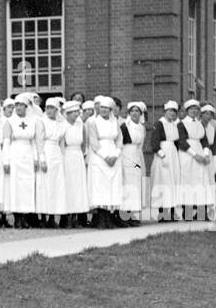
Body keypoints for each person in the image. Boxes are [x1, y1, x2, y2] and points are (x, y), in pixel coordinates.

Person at [2, 92, 44, 228]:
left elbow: (35, 142)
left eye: (21, 105)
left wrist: (36, 158)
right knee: (15, 186)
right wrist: (6, 161)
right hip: (15, 155)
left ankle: (26, 216)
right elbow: (6, 142)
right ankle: (17, 217)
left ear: (26, 107)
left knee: (27, 186)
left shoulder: (34, 121)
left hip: (28, 155)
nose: (19, 107)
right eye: (17, 105)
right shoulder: (9, 122)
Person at [86, 95, 125, 227]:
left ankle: (110, 217)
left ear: (110, 110)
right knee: (100, 186)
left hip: (114, 155)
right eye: (101, 107)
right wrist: (105, 156)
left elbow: (119, 140)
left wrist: (115, 155)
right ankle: (101, 218)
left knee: (113, 186)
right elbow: (93, 142)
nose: (103, 110)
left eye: (106, 108)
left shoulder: (115, 123)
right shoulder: (93, 122)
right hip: (99, 157)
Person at [146, 100, 182, 221]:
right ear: (165, 111)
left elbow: (177, 142)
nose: (172, 113)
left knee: (173, 182)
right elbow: (154, 143)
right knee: (163, 183)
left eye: (174, 111)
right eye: (170, 111)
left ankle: (171, 212)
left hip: (173, 156)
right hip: (163, 156)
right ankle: (162, 213)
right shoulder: (159, 124)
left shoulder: (175, 124)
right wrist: (162, 155)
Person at [60, 99, 90, 224]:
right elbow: (61, 144)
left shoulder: (80, 125)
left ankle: (77, 215)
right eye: (73, 112)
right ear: (67, 113)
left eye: (77, 112)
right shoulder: (62, 125)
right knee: (68, 186)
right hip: (67, 156)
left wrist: (83, 155)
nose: (76, 114)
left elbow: (84, 143)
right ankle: (66, 217)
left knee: (78, 186)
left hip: (78, 156)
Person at [38, 97, 66, 225]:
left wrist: (62, 158)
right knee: (45, 185)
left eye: (52, 108)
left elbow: (61, 143)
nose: (49, 110)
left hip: (57, 155)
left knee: (56, 186)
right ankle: (43, 216)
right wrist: (42, 159)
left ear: (57, 110)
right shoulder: (41, 122)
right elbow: (39, 142)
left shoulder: (61, 124)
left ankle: (53, 217)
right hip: (46, 152)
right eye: (47, 108)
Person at [119, 102, 149, 225]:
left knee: (135, 185)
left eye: (137, 111)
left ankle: (132, 213)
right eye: (132, 111)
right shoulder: (124, 126)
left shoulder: (141, 128)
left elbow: (140, 145)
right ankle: (124, 215)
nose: (134, 113)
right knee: (127, 185)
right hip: (126, 155)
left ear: (141, 114)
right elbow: (120, 144)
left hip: (136, 156)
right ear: (128, 113)